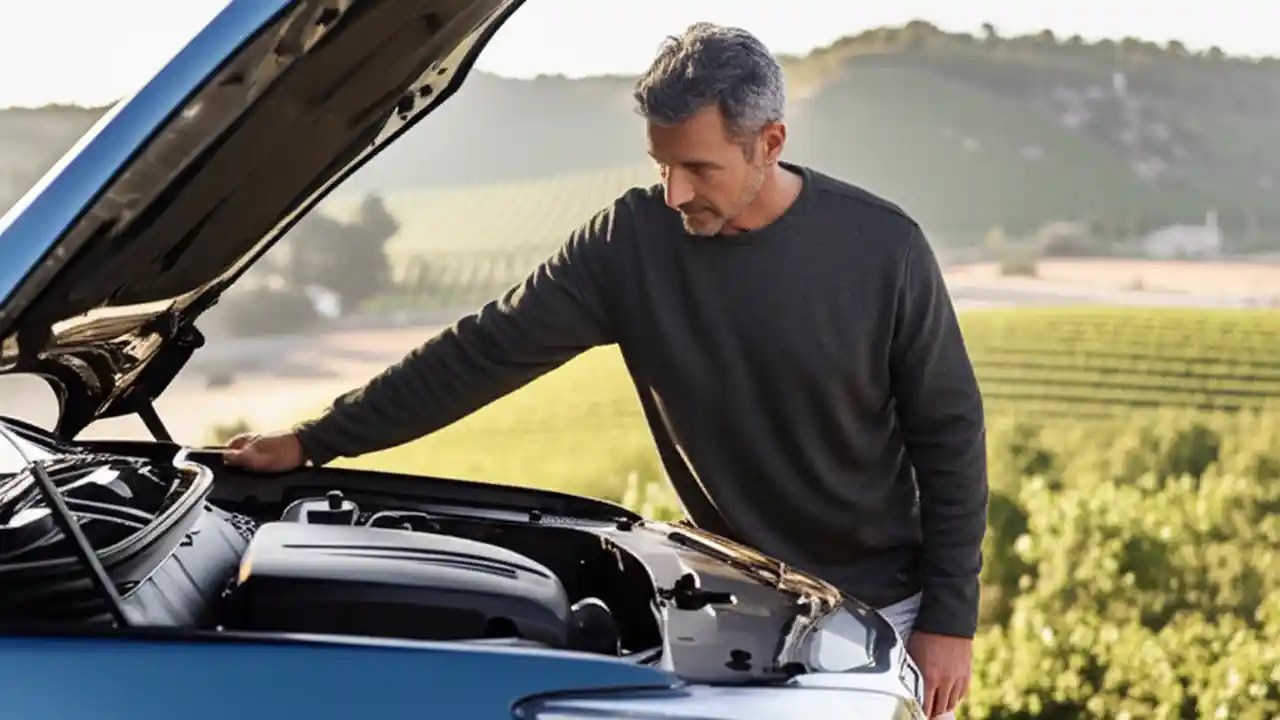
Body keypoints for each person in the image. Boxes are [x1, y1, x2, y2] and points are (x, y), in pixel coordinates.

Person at [224, 22, 987, 719]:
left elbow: (948, 433)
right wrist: (316, 438)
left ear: (770, 140)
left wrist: (950, 617)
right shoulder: (630, 245)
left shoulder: (883, 249)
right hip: (740, 602)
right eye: (661, 165)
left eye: (698, 167)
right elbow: (483, 351)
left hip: (886, 611)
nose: (675, 193)